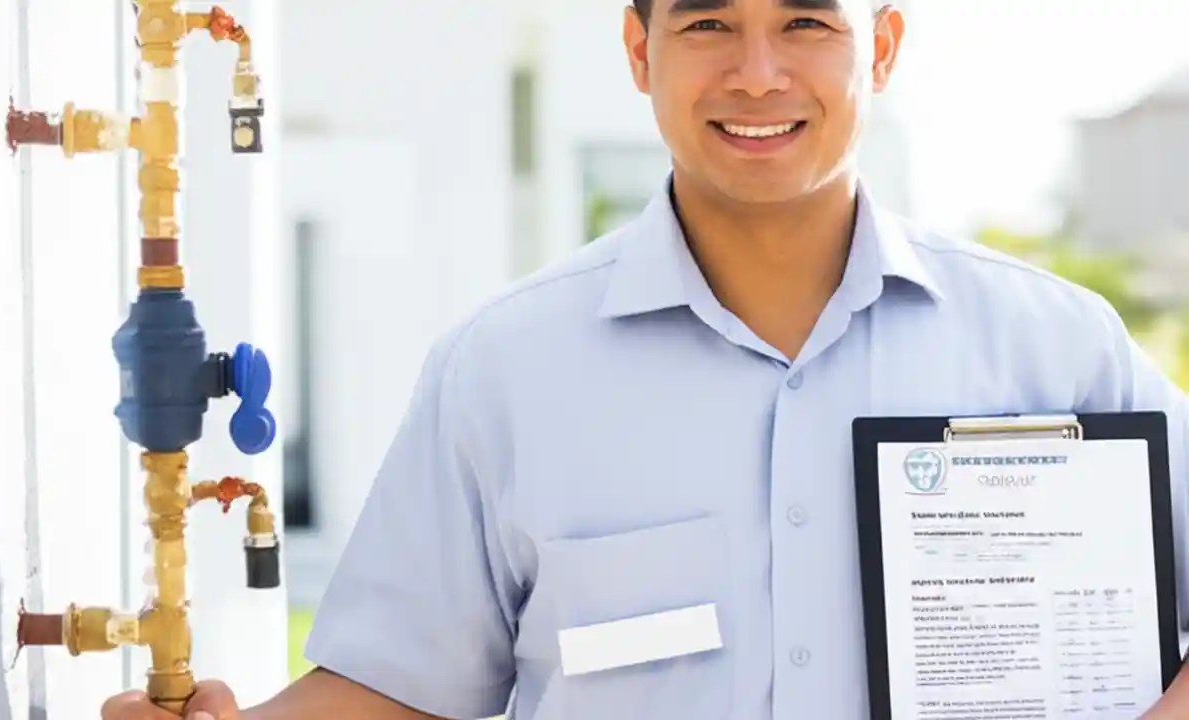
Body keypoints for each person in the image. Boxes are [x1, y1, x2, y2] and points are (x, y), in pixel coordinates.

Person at [105, 0, 1189, 717]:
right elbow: (398, 690)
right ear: (639, 51)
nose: (756, 74)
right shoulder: (504, 373)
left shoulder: (1053, 352)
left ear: (884, 47)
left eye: (806, 21)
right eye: (709, 21)